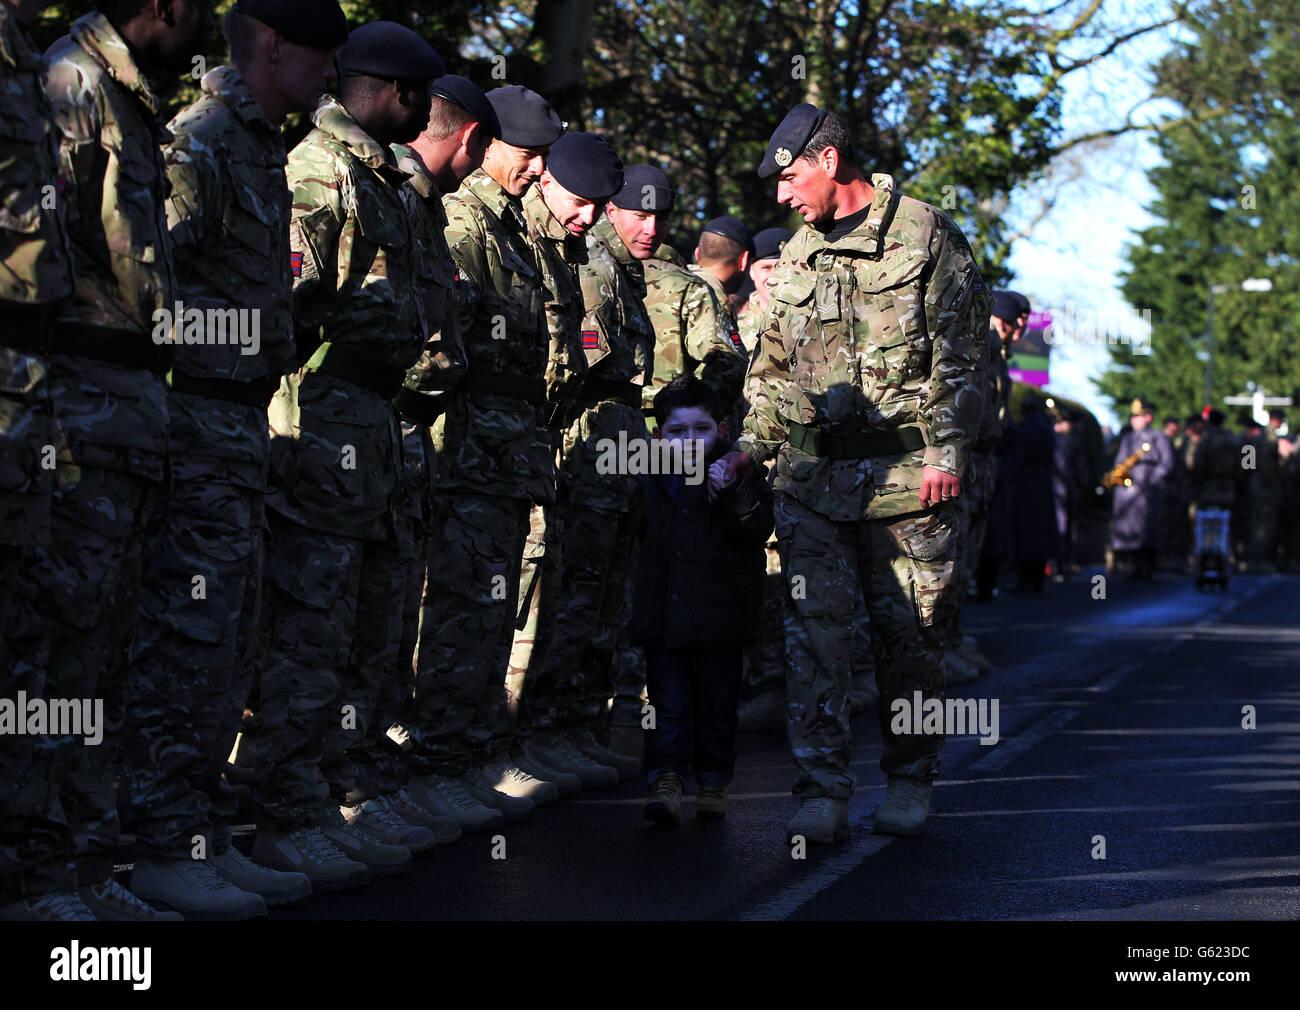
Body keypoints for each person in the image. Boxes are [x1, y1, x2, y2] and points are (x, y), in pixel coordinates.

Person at [115, 0, 349, 920]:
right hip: (195, 427)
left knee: (227, 648)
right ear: (275, 45)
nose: (330, 77)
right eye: (322, 58)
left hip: (241, 432)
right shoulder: (201, 142)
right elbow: (140, 289)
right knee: (187, 643)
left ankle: (199, 834)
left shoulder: (259, 147)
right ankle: (160, 842)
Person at [715, 103, 985, 842]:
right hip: (811, 484)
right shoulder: (799, 254)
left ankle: (909, 779)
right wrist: (750, 444)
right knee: (816, 642)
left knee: (912, 642)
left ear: (829, 163)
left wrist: (945, 453)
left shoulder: (927, 235)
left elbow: (962, 358)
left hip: (906, 480)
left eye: (792, 177)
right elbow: (772, 371)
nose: (781, 195)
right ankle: (822, 790)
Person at [4, 0, 213, 923]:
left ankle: (82, 862)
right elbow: (51, 265)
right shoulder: (74, 83)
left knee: (97, 652)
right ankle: (36, 871)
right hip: (76, 395)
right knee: (50, 653)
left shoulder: (126, 97)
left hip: (124, 399)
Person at [249, 20, 445, 888]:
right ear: (395, 92)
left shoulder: (381, 174)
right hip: (324, 420)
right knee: (307, 630)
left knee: (357, 633)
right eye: (420, 97)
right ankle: (275, 810)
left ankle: (323, 792)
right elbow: (288, 304)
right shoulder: (321, 168)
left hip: (367, 425)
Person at [399, 84, 563, 833]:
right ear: (488, 143)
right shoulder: (461, 221)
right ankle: (436, 762)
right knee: (457, 609)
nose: (534, 173)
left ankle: (470, 753)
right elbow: (440, 343)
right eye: (526, 157)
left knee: (489, 611)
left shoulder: (508, 227)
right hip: (462, 451)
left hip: (503, 455)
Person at [516, 133, 656, 789]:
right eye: (590, 204)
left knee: (600, 602)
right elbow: (578, 361)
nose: (596, 218)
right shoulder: (574, 256)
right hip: (577, 446)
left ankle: (570, 726)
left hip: (614, 448)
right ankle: (535, 731)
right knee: (561, 598)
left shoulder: (607, 261)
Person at [380, 74, 495, 842]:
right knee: (343, 627)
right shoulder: (400, 195)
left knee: (378, 625)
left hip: (402, 437)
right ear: (472, 140)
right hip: (354, 428)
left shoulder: (419, 203)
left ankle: (365, 790)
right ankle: (317, 801)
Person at [0, 0, 79, 922]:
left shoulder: (32, 60)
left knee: (41, 647)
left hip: (34, 391)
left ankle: (42, 865)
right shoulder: (69, 73)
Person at [632, 375, 773, 826]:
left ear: (724, 430)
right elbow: (638, 535)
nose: (690, 441)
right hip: (664, 618)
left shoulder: (738, 474)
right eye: (676, 432)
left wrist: (733, 491)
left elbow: (757, 528)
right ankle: (665, 778)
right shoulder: (650, 477)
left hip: (721, 618)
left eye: (701, 429)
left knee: (717, 705)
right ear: (658, 437)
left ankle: (713, 780)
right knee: (666, 705)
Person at [1109, 397, 1174, 580]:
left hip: (1150, 491)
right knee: (1130, 529)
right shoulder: (1128, 439)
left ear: (1148, 417)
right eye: (1133, 417)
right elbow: (1119, 464)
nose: (1135, 420)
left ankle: (1147, 564)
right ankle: (1131, 564)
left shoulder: (1158, 437)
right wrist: (1128, 483)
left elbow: (1166, 464)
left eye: (1139, 416)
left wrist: (1150, 482)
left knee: (1148, 529)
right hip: (1131, 492)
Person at [736, 227, 793, 356]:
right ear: (751, 271)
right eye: (766, 268)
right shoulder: (734, 329)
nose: (774, 276)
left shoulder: (811, 320)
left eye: (781, 266)